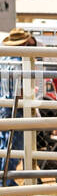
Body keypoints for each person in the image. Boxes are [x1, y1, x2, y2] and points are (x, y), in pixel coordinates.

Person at [0, 28, 38, 184]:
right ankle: (6, 179)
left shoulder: (4, 60)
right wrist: (31, 105)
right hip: (17, 107)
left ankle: (5, 176)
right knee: (15, 146)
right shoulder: (19, 62)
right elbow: (19, 90)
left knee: (4, 145)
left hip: (4, 106)